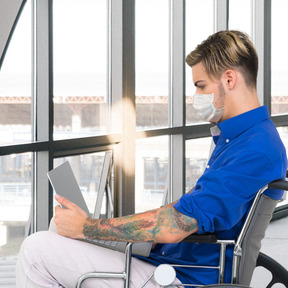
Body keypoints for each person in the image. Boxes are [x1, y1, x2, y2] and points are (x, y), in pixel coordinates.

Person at [16, 30, 287, 287]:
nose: (197, 97)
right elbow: (188, 208)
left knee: (35, 251)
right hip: (173, 258)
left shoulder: (255, 150)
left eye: (201, 86)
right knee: (59, 228)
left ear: (229, 79)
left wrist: (87, 227)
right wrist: (130, 232)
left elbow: (175, 225)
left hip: (186, 278)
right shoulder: (241, 139)